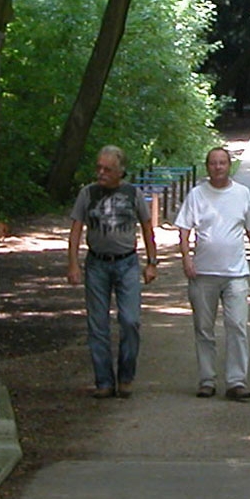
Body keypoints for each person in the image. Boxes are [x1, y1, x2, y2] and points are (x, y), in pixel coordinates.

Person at [174, 145, 250, 401]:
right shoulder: (197, 195)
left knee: (237, 326)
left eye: (222, 163)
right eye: (213, 163)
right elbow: (183, 229)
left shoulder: (242, 193)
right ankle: (207, 380)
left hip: (235, 273)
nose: (217, 167)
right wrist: (186, 258)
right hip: (203, 273)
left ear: (229, 165)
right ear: (207, 167)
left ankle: (237, 381)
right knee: (203, 329)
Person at [67, 146, 157, 398]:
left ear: (120, 171)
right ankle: (104, 381)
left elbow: (147, 228)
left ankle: (126, 376)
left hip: (127, 263)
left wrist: (152, 262)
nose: (101, 173)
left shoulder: (132, 194)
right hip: (97, 264)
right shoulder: (88, 193)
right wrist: (73, 263)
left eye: (107, 169)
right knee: (98, 324)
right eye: (98, 168)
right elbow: (75, 230)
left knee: (130, 321)